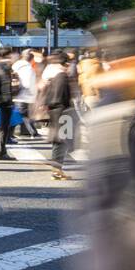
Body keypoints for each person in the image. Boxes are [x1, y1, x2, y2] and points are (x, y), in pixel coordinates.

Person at [40, 51, 76, 181]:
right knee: (60, 141)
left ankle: (58, 170)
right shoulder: (61, 75)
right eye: (68, 62)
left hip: (56, 111)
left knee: (59, 141)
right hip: (62, 111)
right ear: (64, 63)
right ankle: (56, 171)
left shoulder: (52, 74)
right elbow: (59, 96)